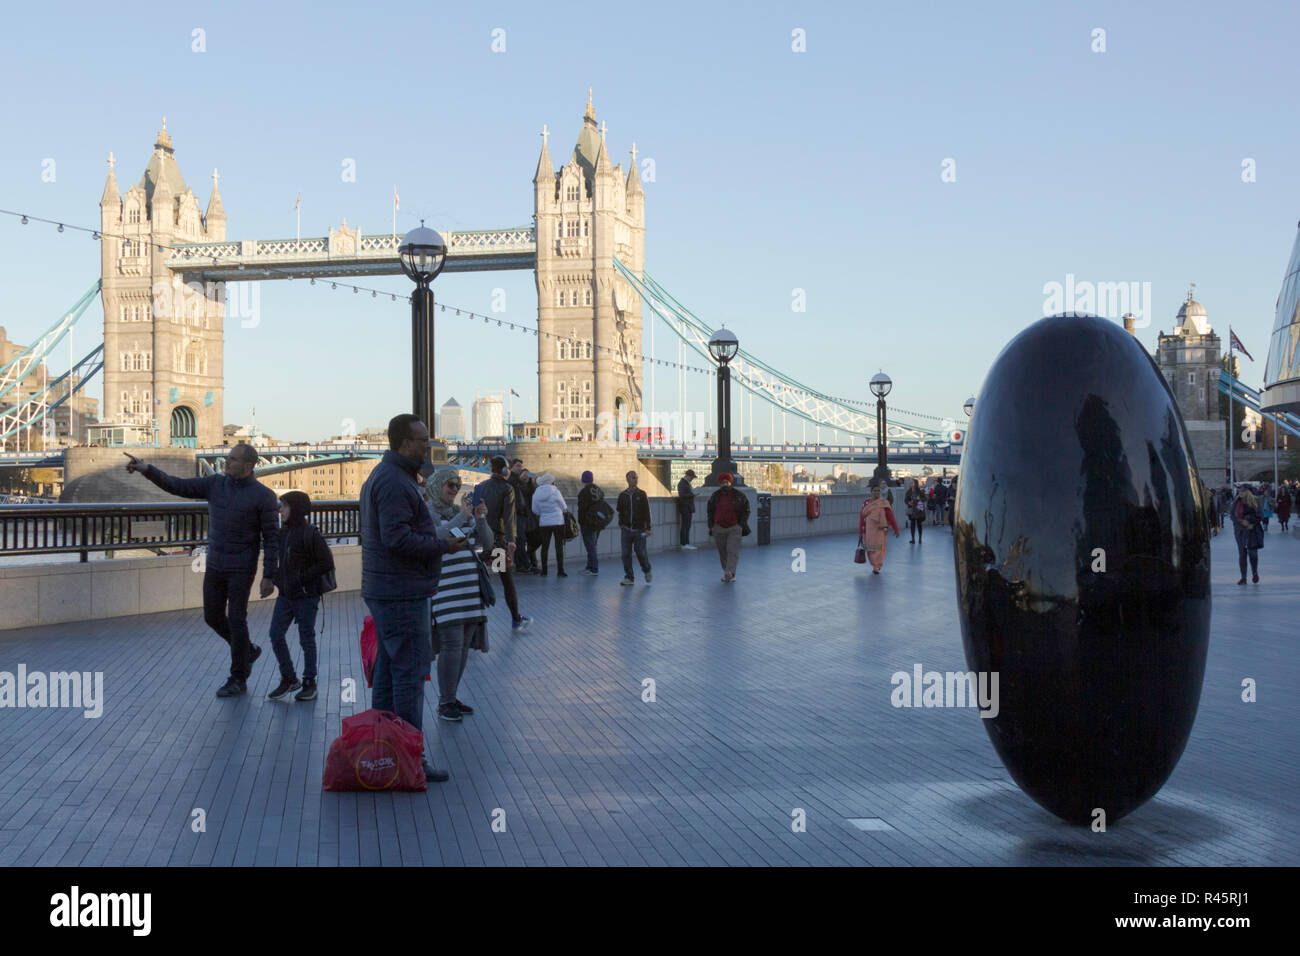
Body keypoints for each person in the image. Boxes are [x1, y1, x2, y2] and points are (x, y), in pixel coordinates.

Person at [359, 414, 467, 782]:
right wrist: (443, 545)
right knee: (408, 677)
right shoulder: (393, 482)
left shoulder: (390, 476)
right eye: (423, 440)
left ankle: (387, 756)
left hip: (391, 590)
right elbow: (397, 539)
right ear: (405, 442)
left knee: (389, 675)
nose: (428, 445)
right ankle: (409, 761)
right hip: (401, 593)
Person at [125, 442, 278, 698]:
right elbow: (177, 485)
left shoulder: (264, 496)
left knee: (238, 619)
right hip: (216, 564)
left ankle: (238, 677)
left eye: (233, 459)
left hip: (242, 567)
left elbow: (272, 538)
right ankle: (247, 651)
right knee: (212, 616)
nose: (227, 462)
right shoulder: (215, 484)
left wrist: (269, 575)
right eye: (228, 458)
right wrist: (146, 469)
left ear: (249, 466)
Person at [425, 468, 492, 723]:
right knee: (452, 645)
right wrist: (461, 518)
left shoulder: (460, 514)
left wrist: (480, 518)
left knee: (464, 646)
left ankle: (451, 697)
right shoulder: (427, 514)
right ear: (436, 486)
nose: (454, 490)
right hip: (446, 589)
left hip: (469, 589)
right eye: (449, 485)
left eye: (457, 485)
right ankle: (444, 701)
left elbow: (487, 544)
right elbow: (434, 537)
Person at [266, 491, 335, 702]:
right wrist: (278, 578)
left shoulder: (311, 534)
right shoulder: (283, 533)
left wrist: (301, 579)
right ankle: (289, 677)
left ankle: (309, 682)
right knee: (276, 634)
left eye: (284, 506)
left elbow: (326, 563)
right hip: (286, 595)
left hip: (306, 596)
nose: (280, 510)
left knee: (307, 639)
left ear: (295, 508)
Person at [475, 455, 532, 631]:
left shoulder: (480, 487)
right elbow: (508, 518)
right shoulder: (507, 489)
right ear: (505, 470)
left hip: (480, 541)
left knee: (478, 581)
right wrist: (511, 541)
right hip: (498, 542)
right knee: (506, 580)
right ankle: (516, 619)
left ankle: (474, 623)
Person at [706, 472, 750, 583]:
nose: (725, 484)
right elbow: (710, 511)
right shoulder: (715, 496)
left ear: (730, 482)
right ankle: (727, 571)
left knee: (732, 551)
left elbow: (746, 509)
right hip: (718, 528)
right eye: (723, 482)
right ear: (720, 483)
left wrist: (740, 524)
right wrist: (712, 526)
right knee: (723, 552)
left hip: (734, 527)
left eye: (727, 482)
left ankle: (730, 573)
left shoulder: (739, 495)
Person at [617, 470, 653, 586]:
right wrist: (621, 524)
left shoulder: (642, 494)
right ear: (627, 479)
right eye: (632, 477)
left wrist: (648, 528)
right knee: (625, 554)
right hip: (626, 530)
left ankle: (647, 570)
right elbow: (620, 511)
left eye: (636, 477)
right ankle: (629, 577)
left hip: (640, 530)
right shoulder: (623, 495)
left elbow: (646, 512)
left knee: (640, 551)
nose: (635, 479)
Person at [531, 473, 568, 576]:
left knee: (545, 547)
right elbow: (564, 506)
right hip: (558, 522)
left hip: (544, 523)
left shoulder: (536, 493)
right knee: (558, 547)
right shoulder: (555, 491)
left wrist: (543, 513)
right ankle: (560, 571)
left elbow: (535, 510)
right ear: (552, 482)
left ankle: (544, 571)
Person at [858, 483, 900, 574]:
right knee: (870, 549)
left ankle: (876, 566)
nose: (877, 492)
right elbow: (862, 518)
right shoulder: (866, 503)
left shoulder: (883, 502)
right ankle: (874, 564)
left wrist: (896, 529)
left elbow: (891, 516)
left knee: (879, 549)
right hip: (868, 531)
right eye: (875, 491)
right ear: (871, 492)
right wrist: (860, 532)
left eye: (878, 491)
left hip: (880, 531)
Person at [1231, 487, 1263, 585]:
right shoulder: (1236, 502)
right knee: (1242, 554)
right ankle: (1243, 577)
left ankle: (1254, 572)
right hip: (1240, 531)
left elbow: (1260, 516)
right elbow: (1232, 515)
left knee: (1252, 553)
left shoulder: (1255, 501)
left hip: (1252, 530)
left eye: (1243, 491)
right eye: (1240, 491)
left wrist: (1250, 521)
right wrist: (1241, 522)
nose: (1241, 493)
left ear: (1248, 492)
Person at [577, 470, 606, 575]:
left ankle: (593, 569)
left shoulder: (584, 492)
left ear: (583, 480)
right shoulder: (599, 491)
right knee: (593, 545)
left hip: (587, 523)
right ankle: (589, 567)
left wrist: (580, 522)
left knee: (590, 546)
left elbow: (581, 509)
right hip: (598, 522)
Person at [508, 459, 535, 573]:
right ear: (511, 467)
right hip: (516, 515)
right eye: (518, 466)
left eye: (520, 466)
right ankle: (524, 565)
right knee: (520, 540)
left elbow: (526, 495)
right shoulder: (512, 481)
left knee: (520, 540)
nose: (519, 468)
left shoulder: (517, 481)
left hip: (521, 514)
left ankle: (520, 565)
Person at [677, 469, 698, 549]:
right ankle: (684, 543)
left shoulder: (685, 483)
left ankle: (686, 543)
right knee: (685, 525)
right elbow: (681, 495)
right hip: (685, 507)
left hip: (687, 507)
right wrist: (692, 495)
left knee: (687, 525)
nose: (692, 479)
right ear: (688, 476)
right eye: (692, 477)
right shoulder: (682, 483)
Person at [904, 478, 925, 543]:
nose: (911, 484)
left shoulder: (920, 491)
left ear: (915, 483)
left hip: (919, 510)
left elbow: (925, 498)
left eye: (912, 482)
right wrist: (909, 502)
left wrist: (920, 498)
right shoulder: (909, 491)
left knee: (919, 524)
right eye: (910, 483)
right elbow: (905, 500)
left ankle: (920, 539)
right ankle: (913, 539)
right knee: (912, 524)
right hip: (912, 510)